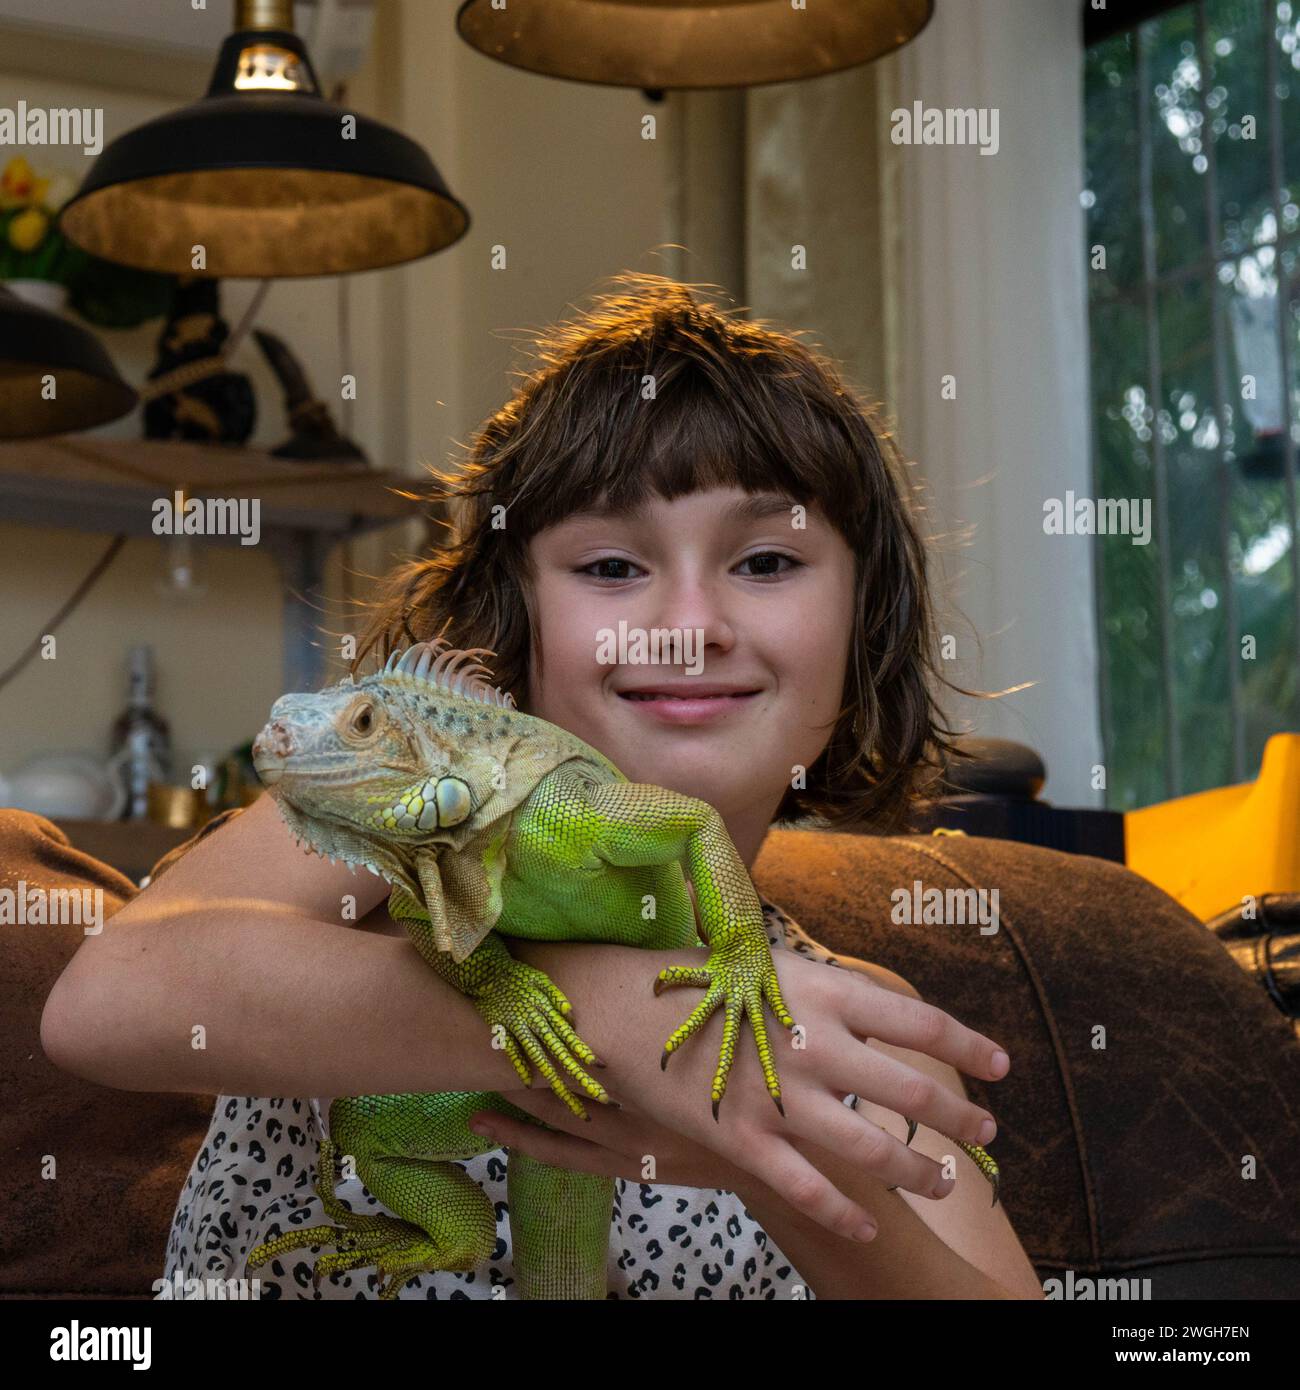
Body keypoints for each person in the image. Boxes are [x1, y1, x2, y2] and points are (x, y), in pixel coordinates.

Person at [41, 273, 1043, 1300]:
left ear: (862, 624)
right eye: (610, 567)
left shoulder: (854, 1026)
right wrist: (611, 1019)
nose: (684, 624)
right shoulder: (396, 831)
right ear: (506, 630)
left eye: (767, 561)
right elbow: (101, 1003)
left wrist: (788, 1169)